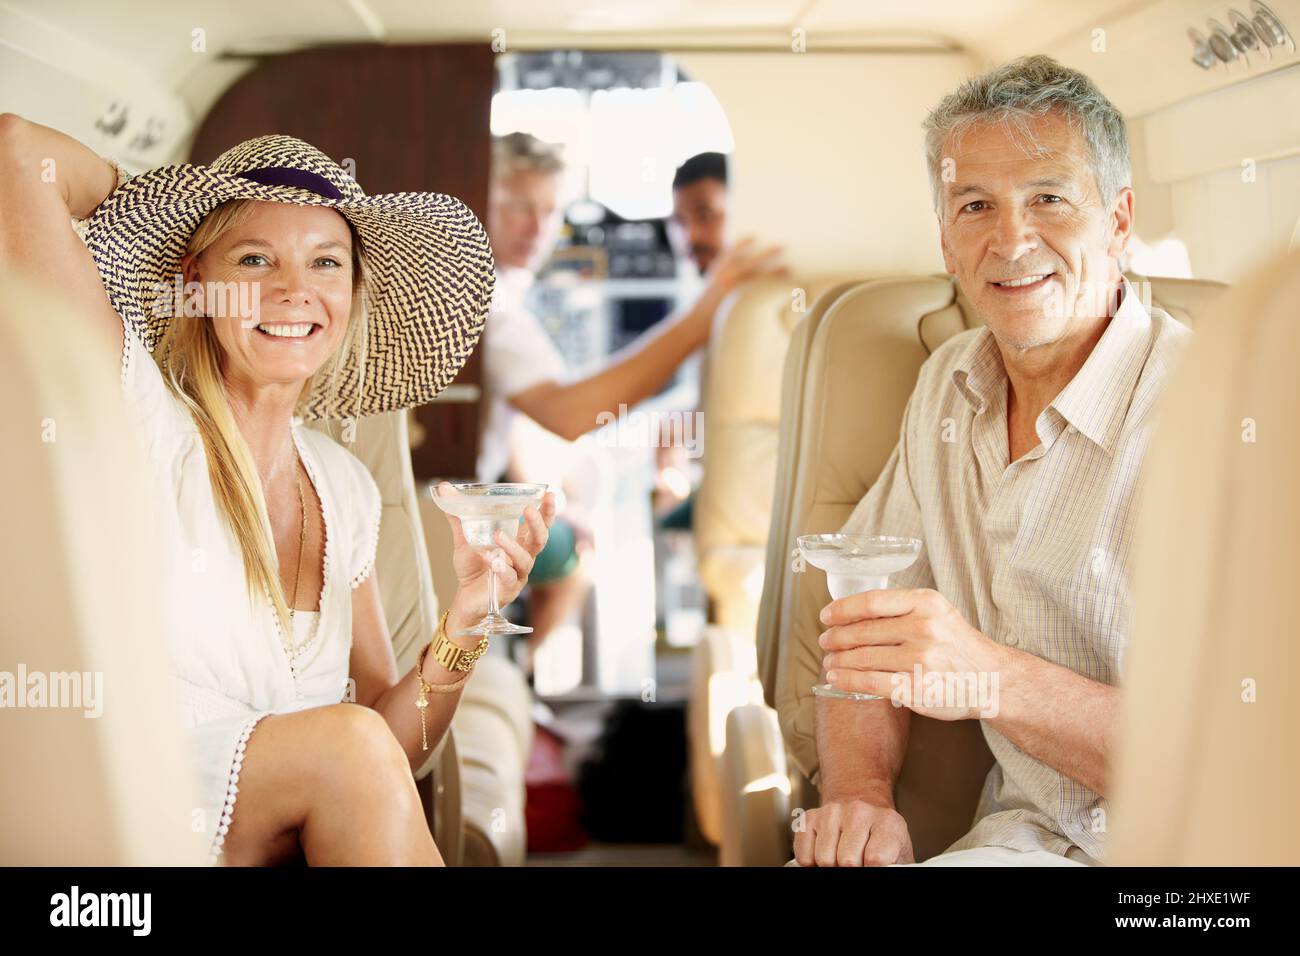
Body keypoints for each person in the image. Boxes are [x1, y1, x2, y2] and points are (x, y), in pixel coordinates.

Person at [0, 115, 555, 866]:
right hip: (157, 811)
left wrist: (469, 619)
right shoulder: (138, 413)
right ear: (195, 284)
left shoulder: (347, 487)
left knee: (358, 746)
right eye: (256, 258)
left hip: (300, 822)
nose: (295, 291)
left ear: (353, 293)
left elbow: (392, 750)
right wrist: (155, 201)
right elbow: (15, 153)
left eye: (326, 263)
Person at [793, 55, 1189, 867]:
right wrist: (860, 797)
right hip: (1020, 845)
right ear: (945, 238)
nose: (1011, 240)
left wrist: (989, 677)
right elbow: (867, 629)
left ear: (1117, 221)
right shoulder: (946, 386)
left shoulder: (1219, 412)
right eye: (976, 206)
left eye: (1048, 198)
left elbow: (1227, 761)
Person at [481, 133, 782, 655]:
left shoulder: (501, 291)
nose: (538, 228)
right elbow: (566, 410)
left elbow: (526, 417)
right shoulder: (488, 297)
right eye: (517, 208)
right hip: (475, 502)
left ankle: (525, 684)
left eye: (549, 211)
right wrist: (700, 316)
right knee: (582, 543)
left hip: (494, 488)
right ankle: (528, 680)